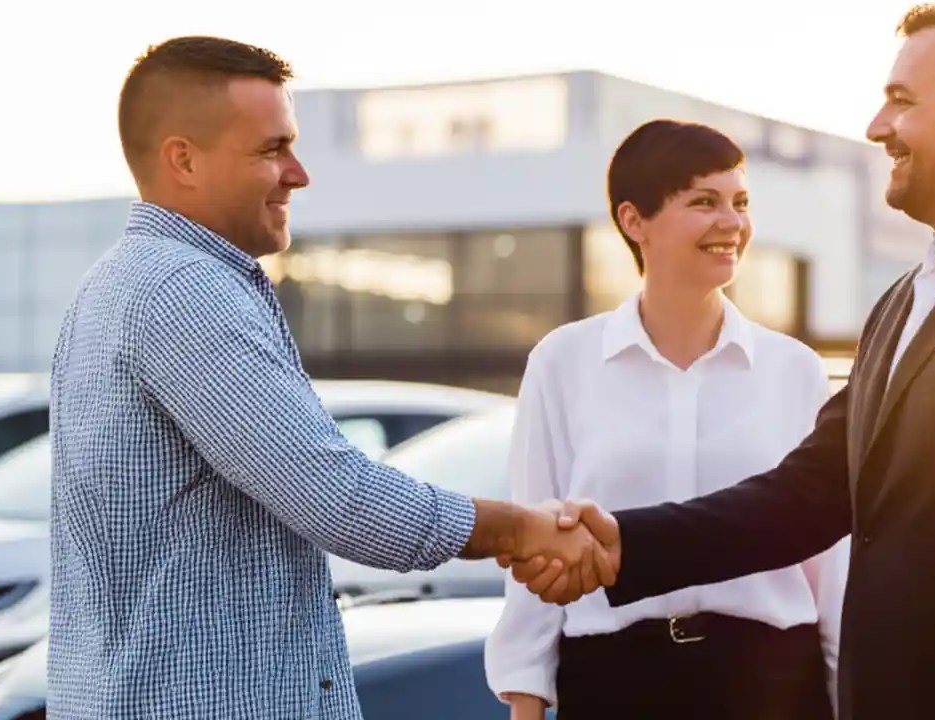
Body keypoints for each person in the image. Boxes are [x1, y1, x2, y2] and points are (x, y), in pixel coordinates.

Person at [507, 2, 935, 719]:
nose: (877, 126)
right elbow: (808, 495)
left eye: (902, 101)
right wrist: (624, 541)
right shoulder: (906, 299)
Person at [47, 36, 615, 720]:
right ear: (183, 160)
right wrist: (520, 530)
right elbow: (341, 498)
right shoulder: (182, 290)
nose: (298, 173)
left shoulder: (116, 286)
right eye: (271, 149)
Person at [483, 120, 850, 720]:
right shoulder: (563, 361)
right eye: (703, 202)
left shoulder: (795, 370)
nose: (731, 223)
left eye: (740, 202)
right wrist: (526, 707)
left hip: (772, 685)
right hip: (614, 684)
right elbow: (537, 557)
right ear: (633, 221)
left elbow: (833, 571)